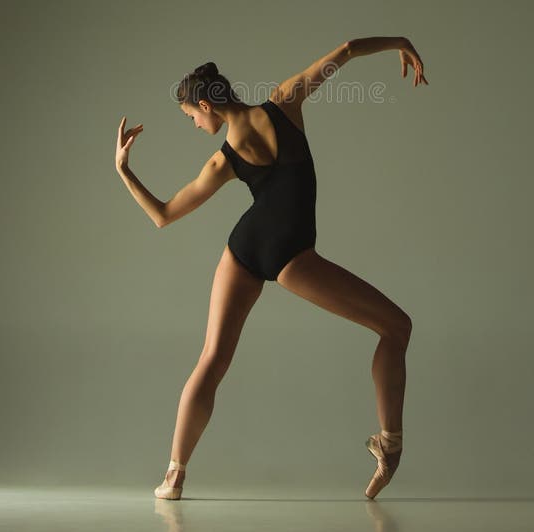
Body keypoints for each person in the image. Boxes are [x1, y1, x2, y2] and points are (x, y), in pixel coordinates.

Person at [115, 35, 428, 500]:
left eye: (190, 117)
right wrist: (401, 42)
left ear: (207, 104)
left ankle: (173, 477)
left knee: (212, 359)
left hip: (246, 248)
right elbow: (344, 50)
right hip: (291, 255)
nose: (194, 124)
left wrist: (124, 169)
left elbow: (162, 214)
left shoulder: (224, 158)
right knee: (395, 328)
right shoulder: (286, 100)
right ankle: (390, 445)